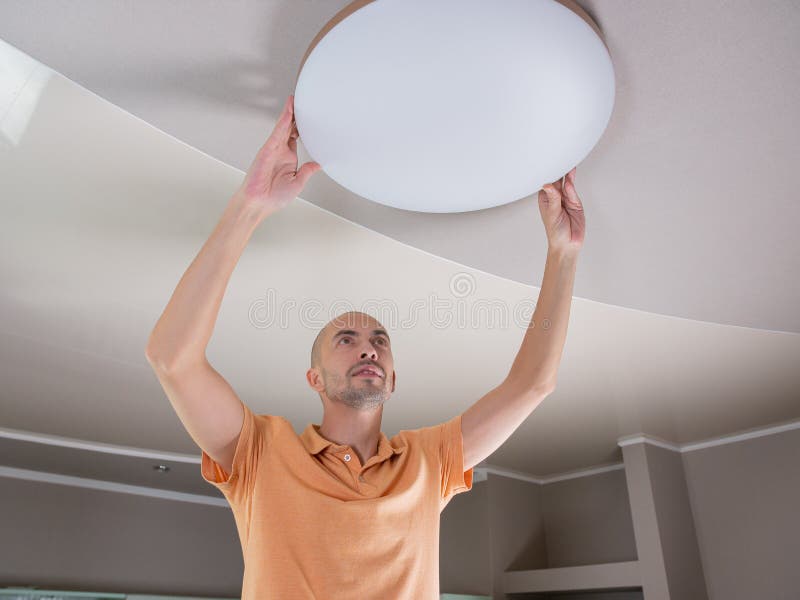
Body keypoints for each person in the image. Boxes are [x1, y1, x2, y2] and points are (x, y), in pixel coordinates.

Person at [145, 94, 584, 599]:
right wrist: (249, 207)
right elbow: (171, 358)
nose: (369, 349)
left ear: (393, 380)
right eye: (346, 340)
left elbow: (533, 384)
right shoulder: (260, 454)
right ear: (314, 379)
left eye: (379, 341)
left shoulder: (428, 463)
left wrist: (562, 252)